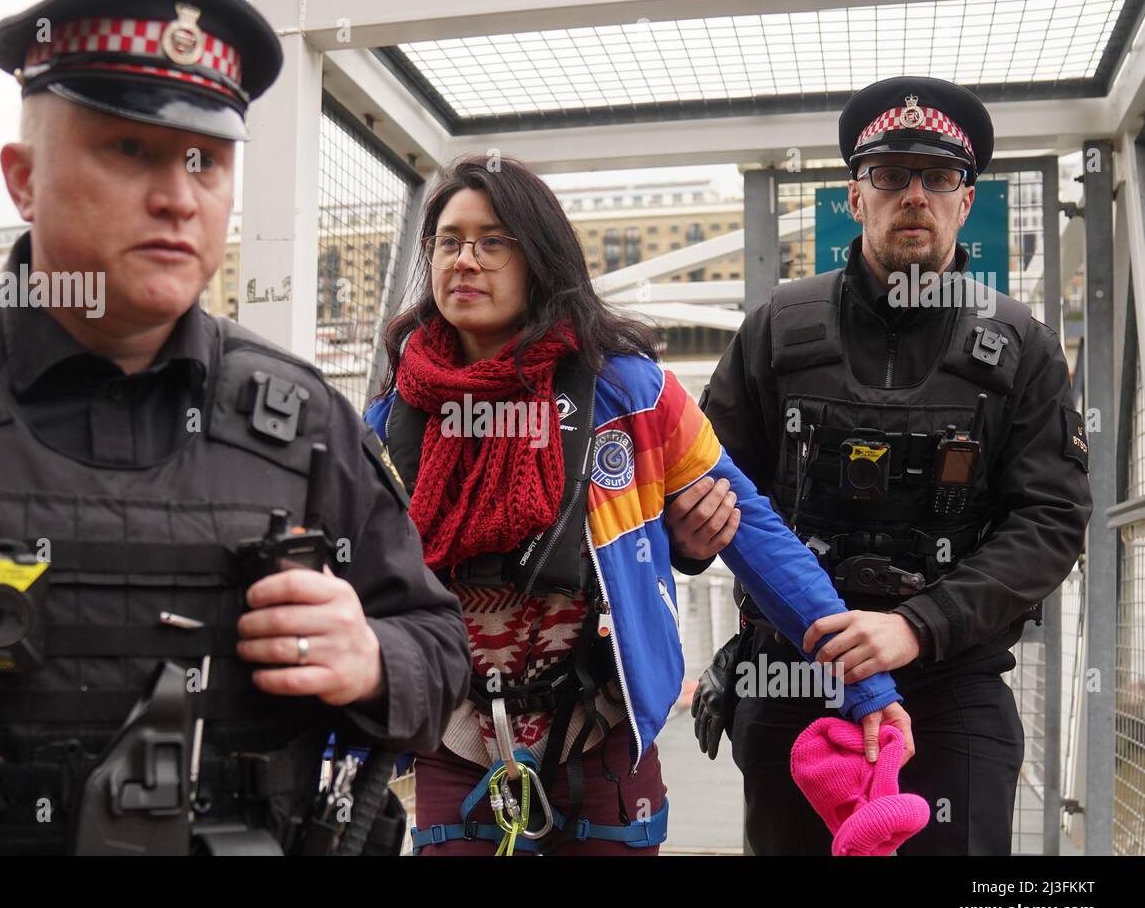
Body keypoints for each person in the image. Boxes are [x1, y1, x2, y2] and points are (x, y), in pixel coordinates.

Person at [0, 0, 469, 856]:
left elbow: (439, 643)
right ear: (23, 178)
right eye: (130, 150)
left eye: (206, 161)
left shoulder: (305, 422)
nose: (178, 196)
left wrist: (370, 656)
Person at [365, 156, 912, 856]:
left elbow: (760, 539)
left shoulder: (631, 392)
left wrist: (865, 684)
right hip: (457, 747)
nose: (466, 258)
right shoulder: (391, 417)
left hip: (604, 742)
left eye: (494, 240)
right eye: (449, 240)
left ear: (539, 257)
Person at [698, 76, 1092, 855]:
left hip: (949, 677)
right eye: (891, 174)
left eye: (937, 177)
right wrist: (688, 536)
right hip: (793, 673)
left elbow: (1050, 520)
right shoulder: (776, 329)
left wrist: (917, 626)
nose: (914, 193)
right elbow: (708, 484)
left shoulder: (1021, 347)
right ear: (856, 195)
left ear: (964, 198)